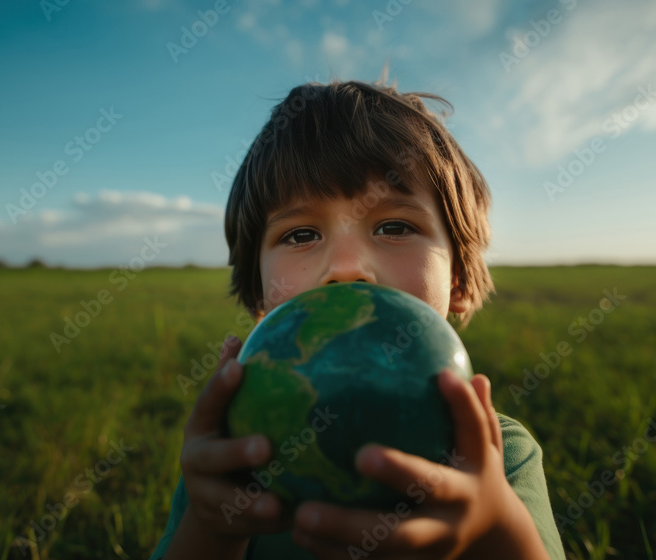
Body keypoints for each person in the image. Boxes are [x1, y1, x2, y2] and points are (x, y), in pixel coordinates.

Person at [150, 76, 565, 559]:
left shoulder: (493, 456)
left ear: (456, 280)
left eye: (394, 227)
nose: (346, 268)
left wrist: (496, 529)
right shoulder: (234, 455)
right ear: (260, 295)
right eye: (301, 235)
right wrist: (212, 526)